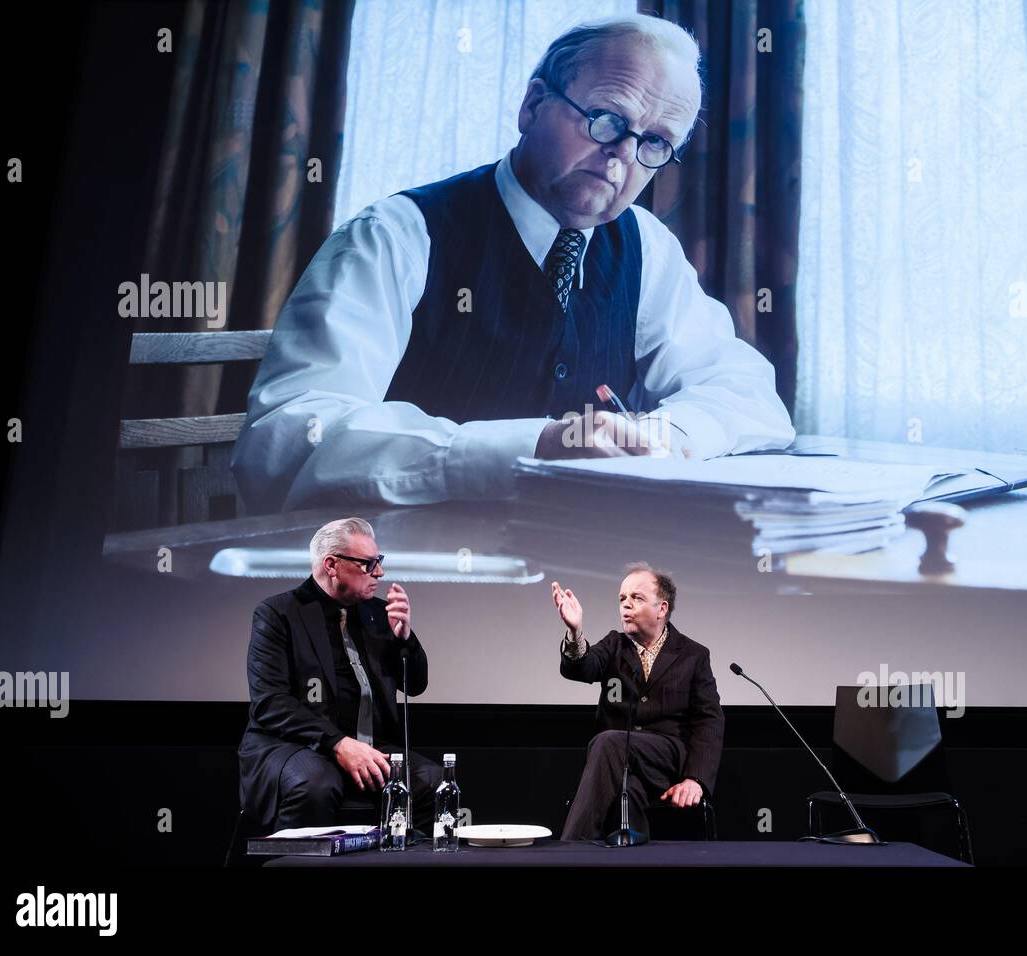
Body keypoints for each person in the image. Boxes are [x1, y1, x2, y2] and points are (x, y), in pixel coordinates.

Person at [232, 14, 794, 512]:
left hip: (575, 577)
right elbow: (285, 440)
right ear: (532, 105)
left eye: (655, 143)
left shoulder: (646, 245)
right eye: (606, 119)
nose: (624, 154)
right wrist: (535, 448)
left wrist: (666, 434)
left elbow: (746, 393)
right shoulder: (395, 236)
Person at [237, 517, 441, 832]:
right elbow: (270, 702)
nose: (380, 573)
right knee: (316, 784)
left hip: (369, 744)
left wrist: (405, 640)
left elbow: (416, 685)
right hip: (293, 746)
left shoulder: (378, 613)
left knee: (431, 782)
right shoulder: (278, 614)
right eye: (368, 564)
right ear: (331, 565)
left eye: (379, 562)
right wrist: (338, 743)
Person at [552, 562, 724, 840]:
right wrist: (574, 632)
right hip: (620, 764)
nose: (626, 605)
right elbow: (581, 668)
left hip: (666, 759)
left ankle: (571, 851)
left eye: (637, 598)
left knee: (607, 742)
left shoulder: (693, 655)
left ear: (662, 609)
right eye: (622, 599)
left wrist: (695, 780)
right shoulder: (613, 645)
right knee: (627, 791)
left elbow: (709, 721)